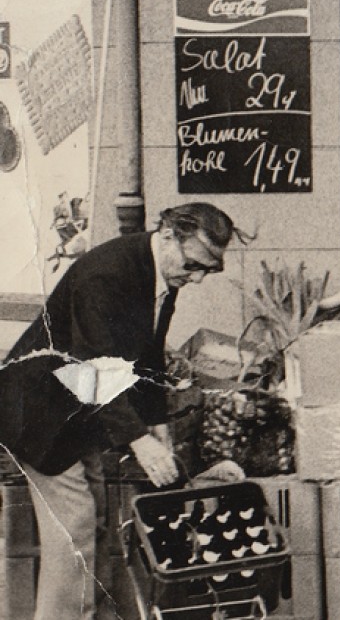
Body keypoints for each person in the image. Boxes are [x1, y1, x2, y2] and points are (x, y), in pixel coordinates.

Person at [0, 203, 247, 620]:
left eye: (210, 270)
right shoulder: (108, 274)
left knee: (94, 522)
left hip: (79, 410)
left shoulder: (159, 273)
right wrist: (138, 440)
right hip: (39, 412)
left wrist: (155, 427)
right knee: (73, 533)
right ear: (168, 234)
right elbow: (92, 363)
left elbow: (147, 358)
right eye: (193, 264)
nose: (199, 277)